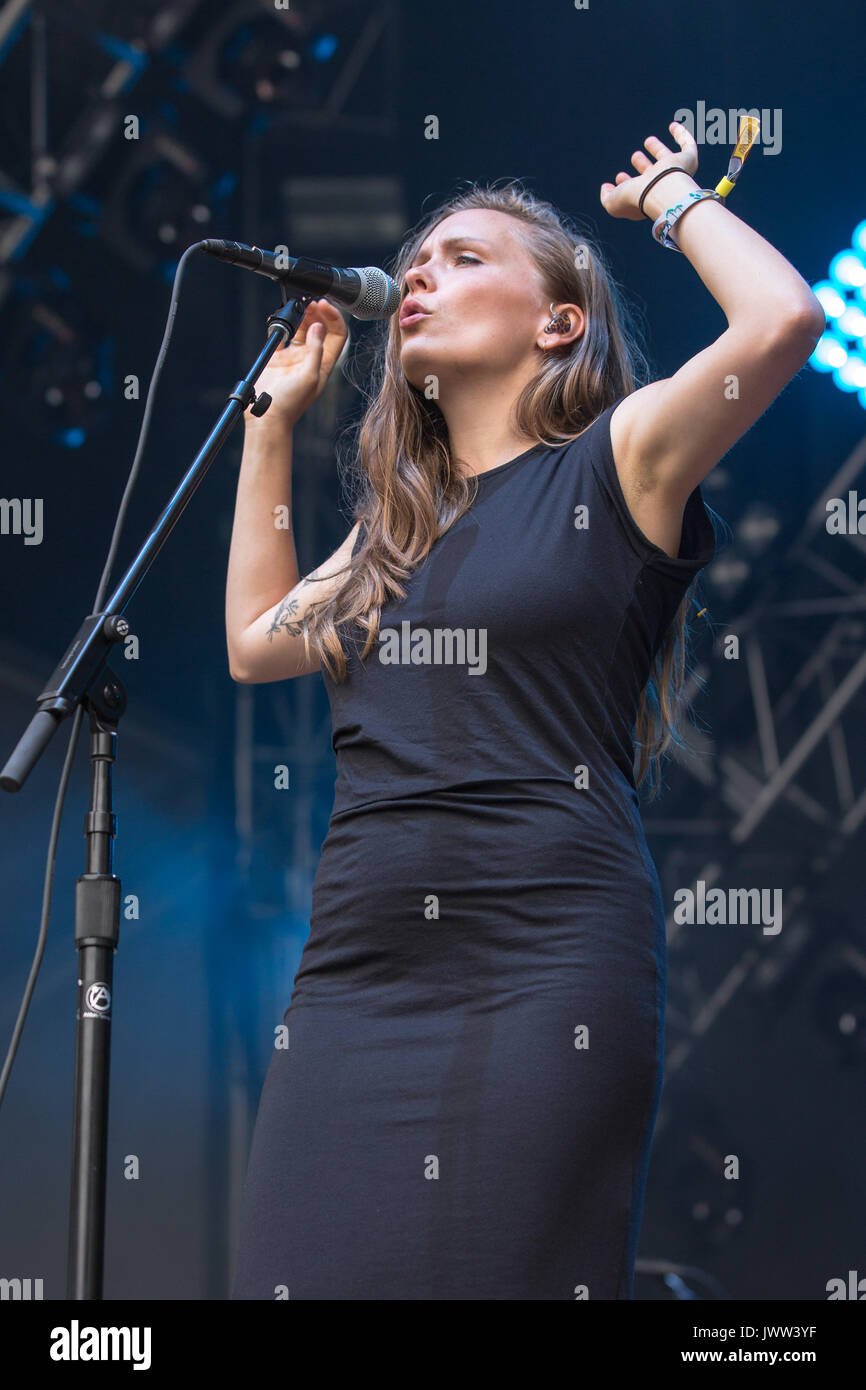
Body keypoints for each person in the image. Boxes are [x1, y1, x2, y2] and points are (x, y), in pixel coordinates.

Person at [226, 123, 824, 1300]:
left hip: (543, 960)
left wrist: (669, 197)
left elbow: (780, 325)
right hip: (356, 976)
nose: (417, 280)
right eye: (416, 262)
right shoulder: (389, 538)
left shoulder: (622, 457)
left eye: (461, 259)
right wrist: (272, 427)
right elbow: (255, 644)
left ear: (557, 323)